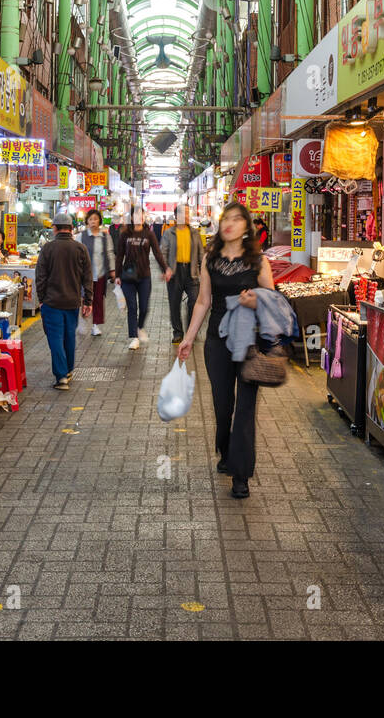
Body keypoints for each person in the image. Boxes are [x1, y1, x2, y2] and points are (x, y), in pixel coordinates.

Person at [178, 202, 275, 499]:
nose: (229, 224)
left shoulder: (258, 260)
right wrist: (188, 338)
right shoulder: (210, 258)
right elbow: (203, 301)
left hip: (248, 342)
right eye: (225, 219)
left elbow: (271, 300)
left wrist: (254, 300)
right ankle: (225, 449)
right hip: (217, 341)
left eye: (237, 219)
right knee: (223, 406)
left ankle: (240, 473)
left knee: (245, 409)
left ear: (247, 227)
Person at [35, 212, 93, 390]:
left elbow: (40, 277)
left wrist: (42, 298)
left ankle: (61, 377)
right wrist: (88, 301)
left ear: (55, 228)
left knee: (55, 339)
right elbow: (87, 277)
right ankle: (68, 370)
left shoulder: (48, 248)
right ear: (71, 229)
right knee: (69, 337)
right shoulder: (80, 248)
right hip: (72, 302)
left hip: (52, 303)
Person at [115, 204, 170, 350]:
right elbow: (119, 255)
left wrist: (165, 269)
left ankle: (140, 328)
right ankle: (133, 337)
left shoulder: (149, 234)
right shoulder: (125, 234)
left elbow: (157, 253)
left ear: (144, 217)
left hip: (145, 276)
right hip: (128, 277)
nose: (139, 217)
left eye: (141, 214)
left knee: (144, 307)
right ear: (131, 217)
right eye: (136, 214)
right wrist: (117, 274)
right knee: (132, 307)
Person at [162, 203, 202, 344]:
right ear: (176, 216)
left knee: (194, 300)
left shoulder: (194, 233)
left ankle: (191, 330)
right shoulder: (169, 233)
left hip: (191, 271)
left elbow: (200, 253)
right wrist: (166, 269)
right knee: (175, 303)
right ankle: (178, 333)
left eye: (187, 212)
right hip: (175, 272)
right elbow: (163, 253)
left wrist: (203, 269)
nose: (186, 216)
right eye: (183, 213)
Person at [78, 209, 116, 336]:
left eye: (95, 219)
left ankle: (95, 325)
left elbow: (110, 253)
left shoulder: (105, 236)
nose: (93, 221)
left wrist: (112, 270)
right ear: (87, 221)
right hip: (85, 275)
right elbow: (76, 254)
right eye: (90, 219)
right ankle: (83, 321)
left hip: (100, 273)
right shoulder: (81, 236)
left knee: (99, 299)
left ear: (99, 220)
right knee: (85, 298)